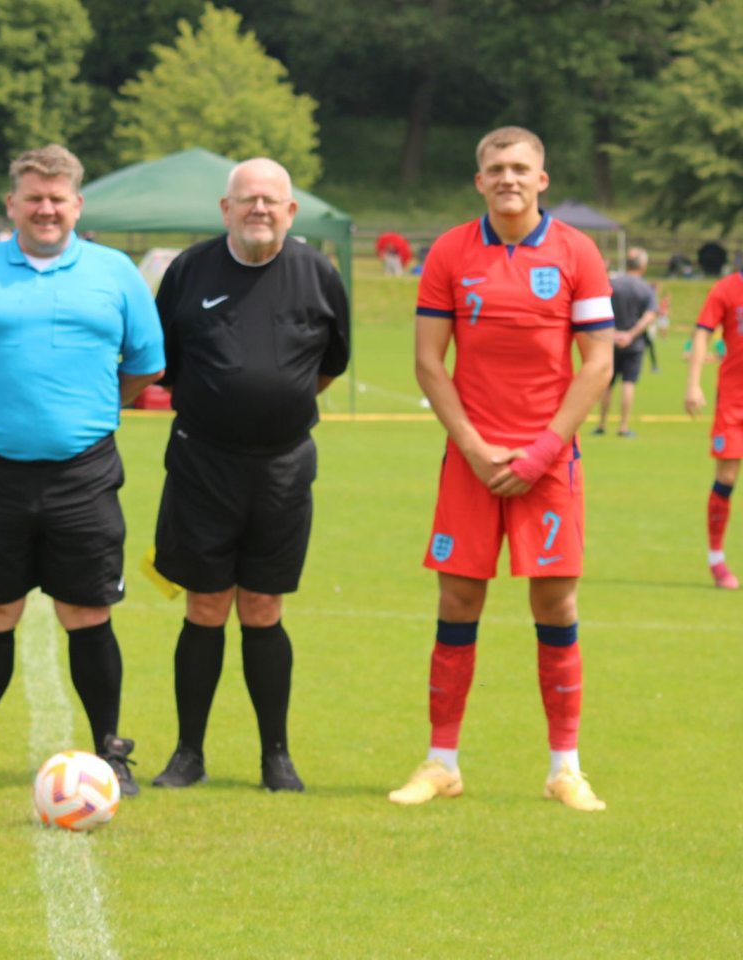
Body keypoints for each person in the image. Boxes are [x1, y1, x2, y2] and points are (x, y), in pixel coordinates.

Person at [0, 144, 165, 795]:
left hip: (83, 475)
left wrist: (89, 407)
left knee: (87, 613)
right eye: (34, 197)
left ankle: (110, 750)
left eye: (58, 198)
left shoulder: (115, 273)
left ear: (77, 205)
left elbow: (144, 365)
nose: (46, 208)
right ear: (12, 204)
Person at [391, 126, 614, 812]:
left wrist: (544, 450)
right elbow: (430, 362)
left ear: (542, 179)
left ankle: (565, 768)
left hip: (549, 462)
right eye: (496, 168)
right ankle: (441, 762)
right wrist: (475, 447)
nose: (509, 177)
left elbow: (598, 363)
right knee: (457, 602)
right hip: (471, 462)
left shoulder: (579, 252)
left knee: (556, 604)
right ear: (479, 180)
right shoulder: (451, 253)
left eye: (521, 167)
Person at [148, 159, 349, 793]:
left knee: (263, 607)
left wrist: (270, 404)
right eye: (247, 200)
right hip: (202, 464)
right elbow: (165, 365)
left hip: (283, 469)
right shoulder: (188, 271)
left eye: (271, 200)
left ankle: (276, 756)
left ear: (291, 212)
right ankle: (188, 754)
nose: (259, 209)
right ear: (225, 208)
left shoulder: (318, 273)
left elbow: (330, 364)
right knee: (205, 605)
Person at [684, 268, 743, 590]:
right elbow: (702, 332)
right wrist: (693, 385)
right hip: (733, 403)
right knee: (726, 478)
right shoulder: (726, 289)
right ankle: (716, 559)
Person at [592, 247, 657, 438]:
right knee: (628, 383)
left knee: (607, 383)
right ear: (643, 266)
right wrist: (630, 334)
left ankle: (602, 423)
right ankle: (623, 425)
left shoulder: (613, 283)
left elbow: (600, 307)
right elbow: (650, 315)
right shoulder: (645, 288)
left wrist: (613, 333)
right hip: (634, 343)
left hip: (609, 340)